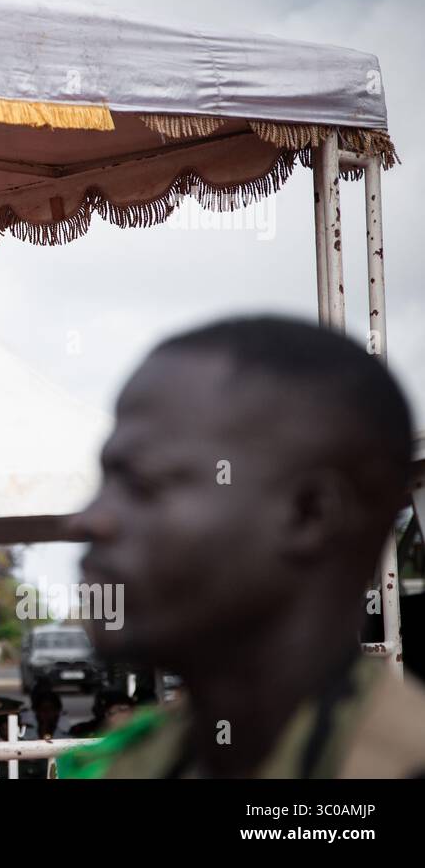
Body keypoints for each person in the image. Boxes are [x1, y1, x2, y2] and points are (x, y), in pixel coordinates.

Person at [58, 316, 425, 778]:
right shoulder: (127, 766)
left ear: (309, 514)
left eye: (144, 484)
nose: (86, 520)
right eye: (105, 482)